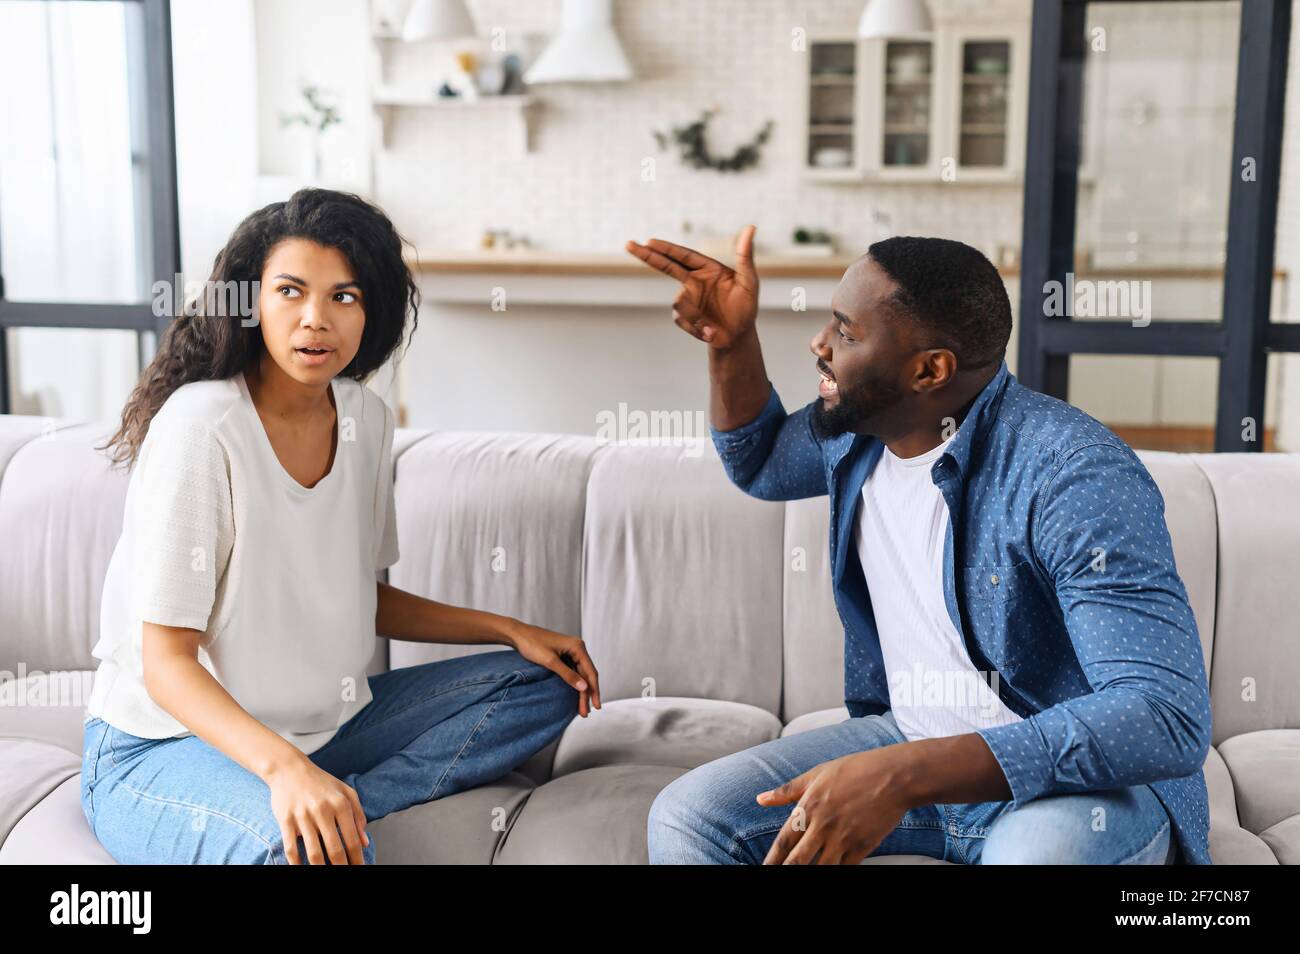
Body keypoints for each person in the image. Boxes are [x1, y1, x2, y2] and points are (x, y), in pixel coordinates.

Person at [625, 226, 1211, 865]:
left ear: (930, 369)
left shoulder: (1075, 474)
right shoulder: (858, 431)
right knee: (691, 818)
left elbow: (1163, 716)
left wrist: (904, 774)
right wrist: (731, 343)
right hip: (910, 738)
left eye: (846, 333)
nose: (820, 345)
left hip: (1073, 786)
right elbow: (760, 462)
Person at [81, 188, 600, 865]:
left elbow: (357, 592)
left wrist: (511, 630)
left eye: (343, 297)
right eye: (290, 291)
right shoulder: (202, 426)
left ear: (371, 310)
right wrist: (282, 771)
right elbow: (167, 663)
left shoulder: (365, 418)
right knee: (301, 856)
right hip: (165, 745)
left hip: (325, 733)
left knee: (548, 683)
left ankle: (343, 800)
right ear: (251, 301)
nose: (315, 319)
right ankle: (316, 813)